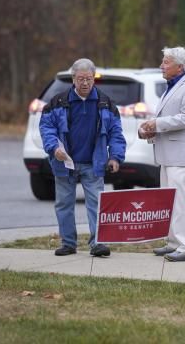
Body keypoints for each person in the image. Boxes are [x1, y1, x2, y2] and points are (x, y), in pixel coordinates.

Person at [40, 58, 126, 257]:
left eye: (88, 79)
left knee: (96, 203)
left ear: (94, 79)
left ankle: (97, 244)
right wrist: (54, 148)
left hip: (93, 164)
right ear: (73, 79)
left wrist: (115, 157)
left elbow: (116, 133)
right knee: (63, 203)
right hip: (65, 163)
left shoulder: (106, 104)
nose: (85, 83)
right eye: (80, 79)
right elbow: (46, 128)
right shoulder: (57, 102)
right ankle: (68, 243)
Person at [138, 46, 185, 262]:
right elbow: (170, 118)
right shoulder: (173, 86)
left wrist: (156, 124)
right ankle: (175, 243)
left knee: (181, 201)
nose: (161, 66)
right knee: (170, 201)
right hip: (170, 155)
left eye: (166, 62)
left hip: (184, 156)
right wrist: (150, 131)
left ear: (180, 66)